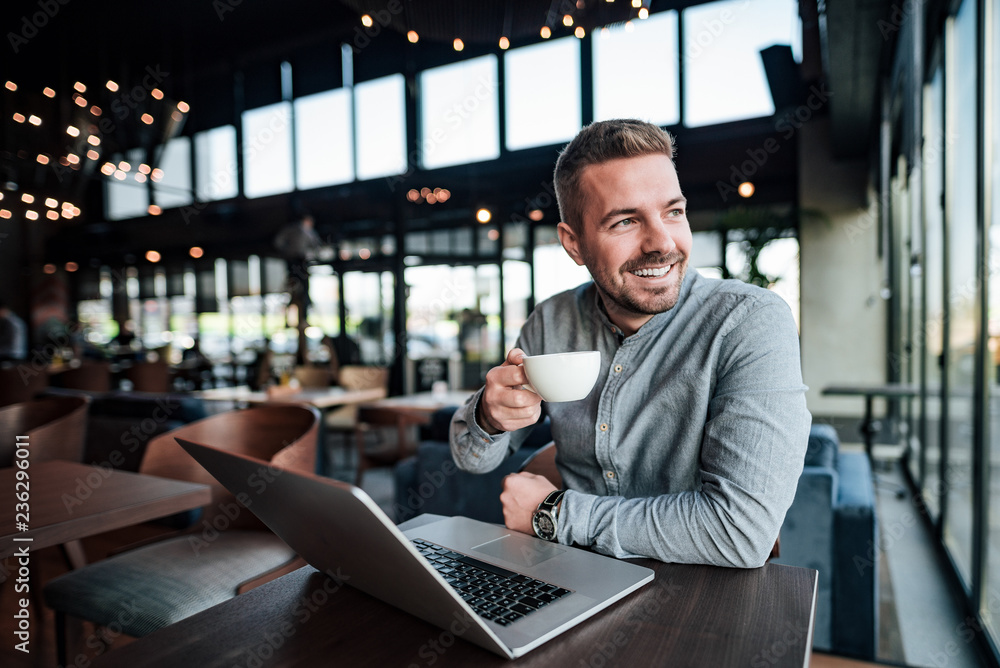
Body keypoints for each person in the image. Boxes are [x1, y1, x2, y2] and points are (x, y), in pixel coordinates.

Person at [449, 119, 810, 568]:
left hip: (697, 591)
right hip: (572, 575)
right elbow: (471, 460)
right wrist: (490, 414)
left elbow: (738, 532)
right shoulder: (553, 320)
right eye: (625, 221)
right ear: (574, 244)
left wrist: (554, 514)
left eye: (673, 212)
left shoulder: (748, 322)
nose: (662, 243)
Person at [274, 212, 323, 308]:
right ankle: (294, 299)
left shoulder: (308, 232)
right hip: (294, 259)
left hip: (300, 259)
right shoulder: (295, 229)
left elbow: (316, 244)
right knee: (295, 281)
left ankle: (301, 300)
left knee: (301, 281)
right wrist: (286, 251)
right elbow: (278, 241)